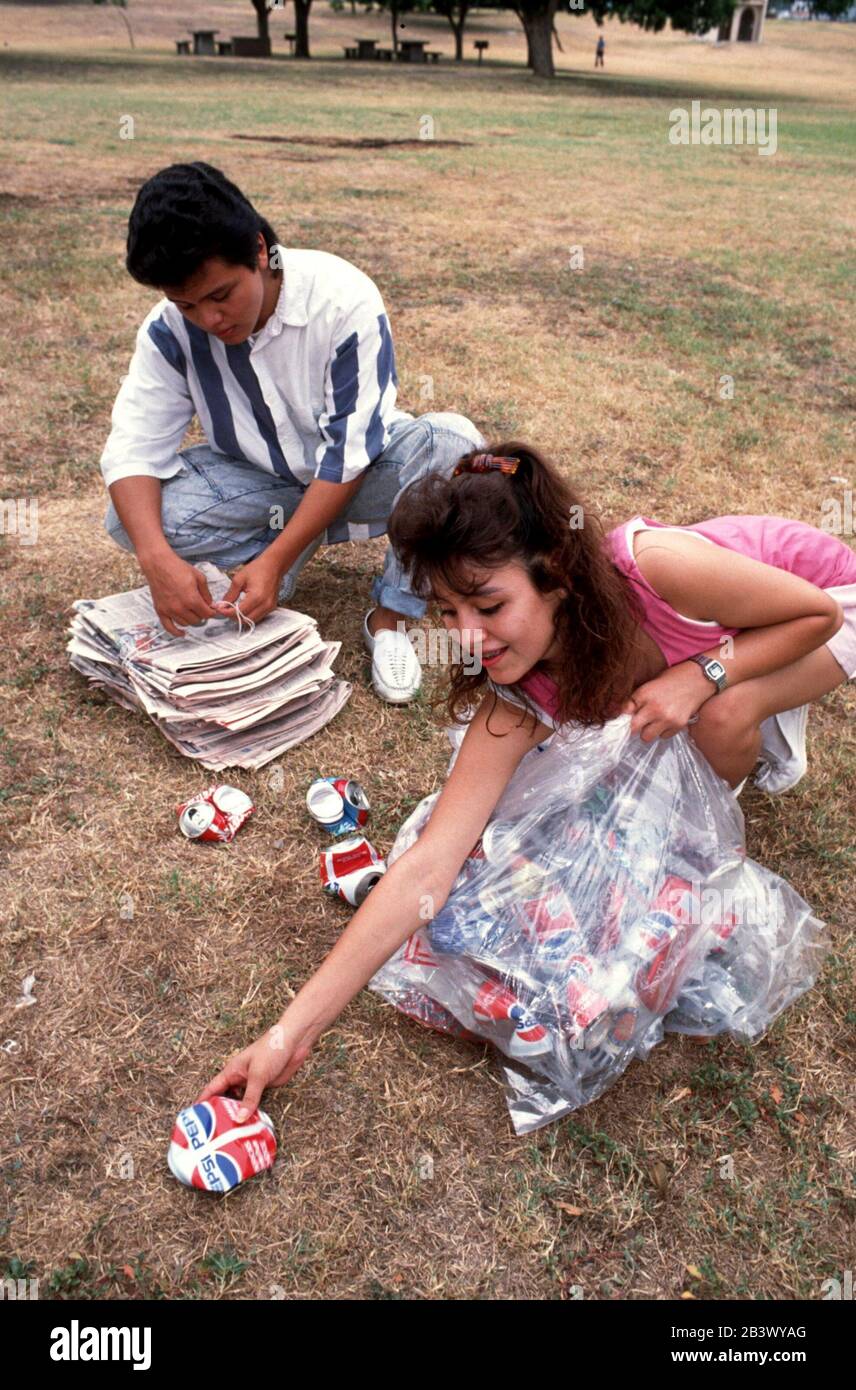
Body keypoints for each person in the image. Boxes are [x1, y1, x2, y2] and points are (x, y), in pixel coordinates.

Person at [196, 443, 855, 1116]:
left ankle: (754, 744)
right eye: (449, 612)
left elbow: (814, 615)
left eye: (487, 605)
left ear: (557, 576)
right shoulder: (517, 694)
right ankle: (725, 705)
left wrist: (698, 675)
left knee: (722, 713)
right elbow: (428, 868)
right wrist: (286, 1034)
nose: (467, 636)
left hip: (819, 601)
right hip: (726, 633)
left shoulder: (654, 565)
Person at [100, 161, 484, 705]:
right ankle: (283, 548)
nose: (208, 318)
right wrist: (156, 561)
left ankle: (391, 618)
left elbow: (348, 457)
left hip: (366, 476)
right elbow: (133, 450)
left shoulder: (343, 300)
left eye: (220, 295)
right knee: (133, 518)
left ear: (259, 251)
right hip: (259, 483)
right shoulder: (168, 330)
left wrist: (275, 558)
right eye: (187, 304)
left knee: (455, 446)